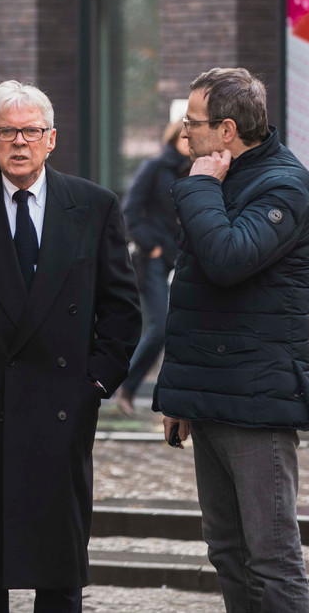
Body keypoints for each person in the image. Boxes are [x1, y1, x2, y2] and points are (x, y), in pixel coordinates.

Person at [0, 79, 142, 613]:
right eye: (7, 132)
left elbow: (122, 308)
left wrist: (95, 382)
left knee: (58, 564)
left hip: (62, 410)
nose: (19, 142)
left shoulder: (94, 206)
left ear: (51, 138)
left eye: (31, 131)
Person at [154, 67, 309, 613]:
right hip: (212, 397)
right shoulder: (221, 176)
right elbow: (195, 297)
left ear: (227, 130)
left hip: (258, 402)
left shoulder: (284, 185)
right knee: (226, 551)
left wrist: (201, 186)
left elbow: (227, 260)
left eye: (193, 124)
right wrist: (179, 395)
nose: (185, 137)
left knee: (272, 558)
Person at [114, 122, 191, 415]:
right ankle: (126, 387)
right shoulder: (155, 167)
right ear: (172, 138)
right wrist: (150, 246)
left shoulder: (196, 169)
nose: (188, 141)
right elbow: (130, 210)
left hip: (183, 259)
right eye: (183, 136)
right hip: (155, 259)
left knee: (182, 329)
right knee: (160, 327)